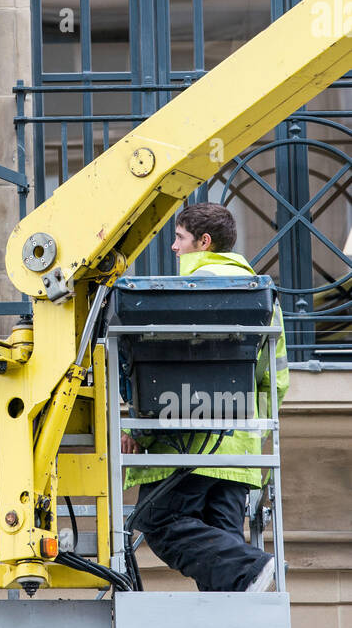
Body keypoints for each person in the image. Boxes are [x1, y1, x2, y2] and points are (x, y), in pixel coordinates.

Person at [122, 202, 289, 592]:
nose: (174, 249)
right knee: (223, 562)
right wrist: (243, 428)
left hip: (187, 446)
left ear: (204, 242)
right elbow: (276, 382)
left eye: (180, 238)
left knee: (158, 522)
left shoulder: (185, 291)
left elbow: (167, 378)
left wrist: (142, 434)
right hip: (239, 455)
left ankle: (255, 567)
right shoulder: (265, 296)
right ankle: (242, 605)